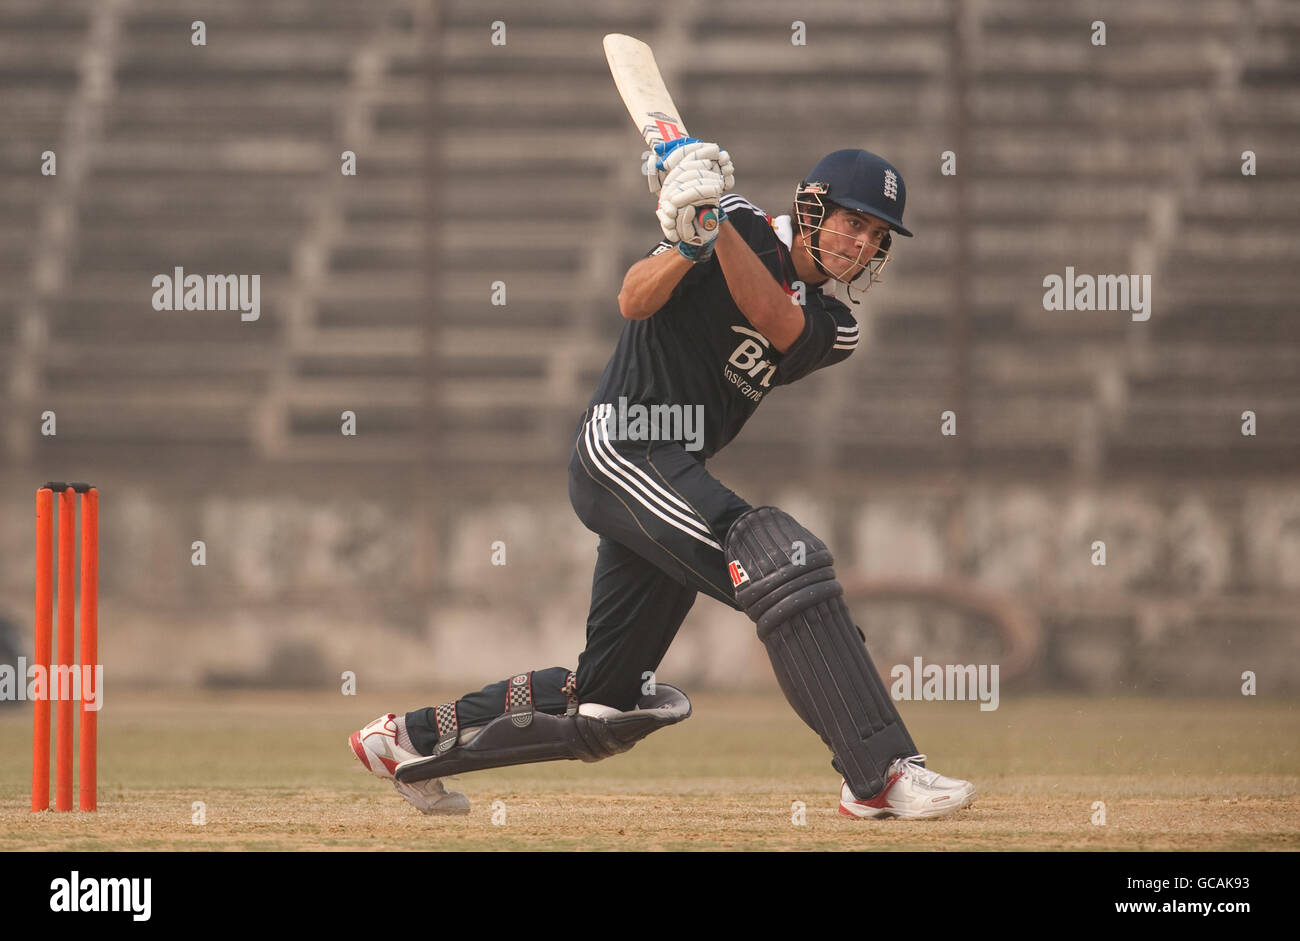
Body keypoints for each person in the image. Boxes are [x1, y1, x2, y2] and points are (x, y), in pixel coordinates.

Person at [350, 145, 975, 820]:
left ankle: (408, 738)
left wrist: (711, 228)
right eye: (854, 222)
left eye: (877, 236)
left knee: (607, 701)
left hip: (670, 474)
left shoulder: (836, 325)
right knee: (778, 560)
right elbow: (633, 298)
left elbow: (774, 317)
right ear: (813, 207)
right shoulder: (732, 217)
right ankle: (879, 775)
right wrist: (687, 242)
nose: (862, 243)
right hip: (622, 447)